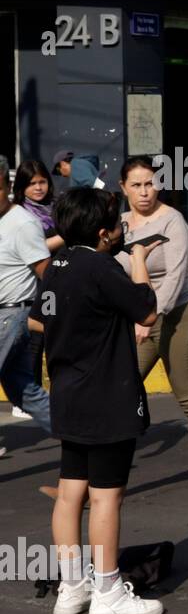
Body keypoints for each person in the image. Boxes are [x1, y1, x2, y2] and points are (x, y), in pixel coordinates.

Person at [30, 185, 164, 614]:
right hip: (106, 397)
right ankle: (108, 593)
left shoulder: (56, 268)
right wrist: (141, 260)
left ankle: (72, 587)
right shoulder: (101, 268)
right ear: (104, 232)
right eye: (116, 223)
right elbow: (147, 312)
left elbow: (37, 318)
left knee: (71, 493)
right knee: (107, 497)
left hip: (68, 395)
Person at [116, 156, 188, 502]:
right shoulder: (120, 224)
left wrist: (146, 317)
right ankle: (106, 483)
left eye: (150, 183)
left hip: (180, 313)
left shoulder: (173, 221)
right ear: (123, 187)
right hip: (141, 317)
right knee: (119, 394)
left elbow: (175, 276)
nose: (144, 191)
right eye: (136, 185)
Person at [0, 157, 53, 435]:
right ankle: (82, 438)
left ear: (7, 186)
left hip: (11, 315)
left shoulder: (22, 224)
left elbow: (48, 274)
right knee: (24, 390)